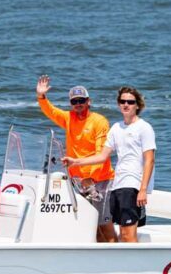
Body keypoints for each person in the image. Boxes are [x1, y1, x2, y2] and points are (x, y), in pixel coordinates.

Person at [63, 87, 156, 243]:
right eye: (122, 101)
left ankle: (135, 266)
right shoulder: (116, 128)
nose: (126, 104)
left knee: (128, 234)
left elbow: (150, 160)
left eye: (130, 102)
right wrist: (76, 162)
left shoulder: (144, 128)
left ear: (137, 105)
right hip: (118, 185)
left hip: (133, 184)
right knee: (120, 232)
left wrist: (143, 189)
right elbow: (102, 156)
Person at [36, 75, 117, 242]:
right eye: (74, 101)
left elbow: (101, 154)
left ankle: (115, 257)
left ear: (89, 101)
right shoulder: (68, 118)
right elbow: (50, 111)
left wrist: (90, 178)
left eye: (81, 100)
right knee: (90, 225)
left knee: (105, 226)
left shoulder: (99, 121)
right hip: (78, 180)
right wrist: (41, 96)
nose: (78, 104)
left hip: (100, 181)